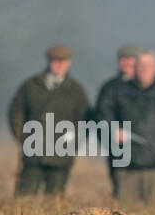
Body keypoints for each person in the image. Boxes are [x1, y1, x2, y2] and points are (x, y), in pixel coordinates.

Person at [97, 49, 155, 204]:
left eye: (148, 65)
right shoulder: (117, 90)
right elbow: (102, 116)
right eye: (140, 65)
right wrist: (113, 131)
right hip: (125, 164)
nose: (144, 69)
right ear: (135, 67)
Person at [7, 44, 92, 197]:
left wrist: (73, 143)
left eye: (62, 61)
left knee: (55, 201)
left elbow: (85, 121)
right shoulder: (31, 86)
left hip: (62, 157)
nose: (59, 65)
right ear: (48, 61)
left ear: (69, 63)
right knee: (24, 198)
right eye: (55, 60)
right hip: (33, 154)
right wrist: (24, 139)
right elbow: (16, 113)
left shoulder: (76, 90)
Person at [94, 45, 140, 198]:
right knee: (122, 194)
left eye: (131, 59)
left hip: (147, 153)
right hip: (119, 149)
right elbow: (101, 116)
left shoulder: (151, 87)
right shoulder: (110, 88)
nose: (127, 63)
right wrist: (114, 132)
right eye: (124, 59)